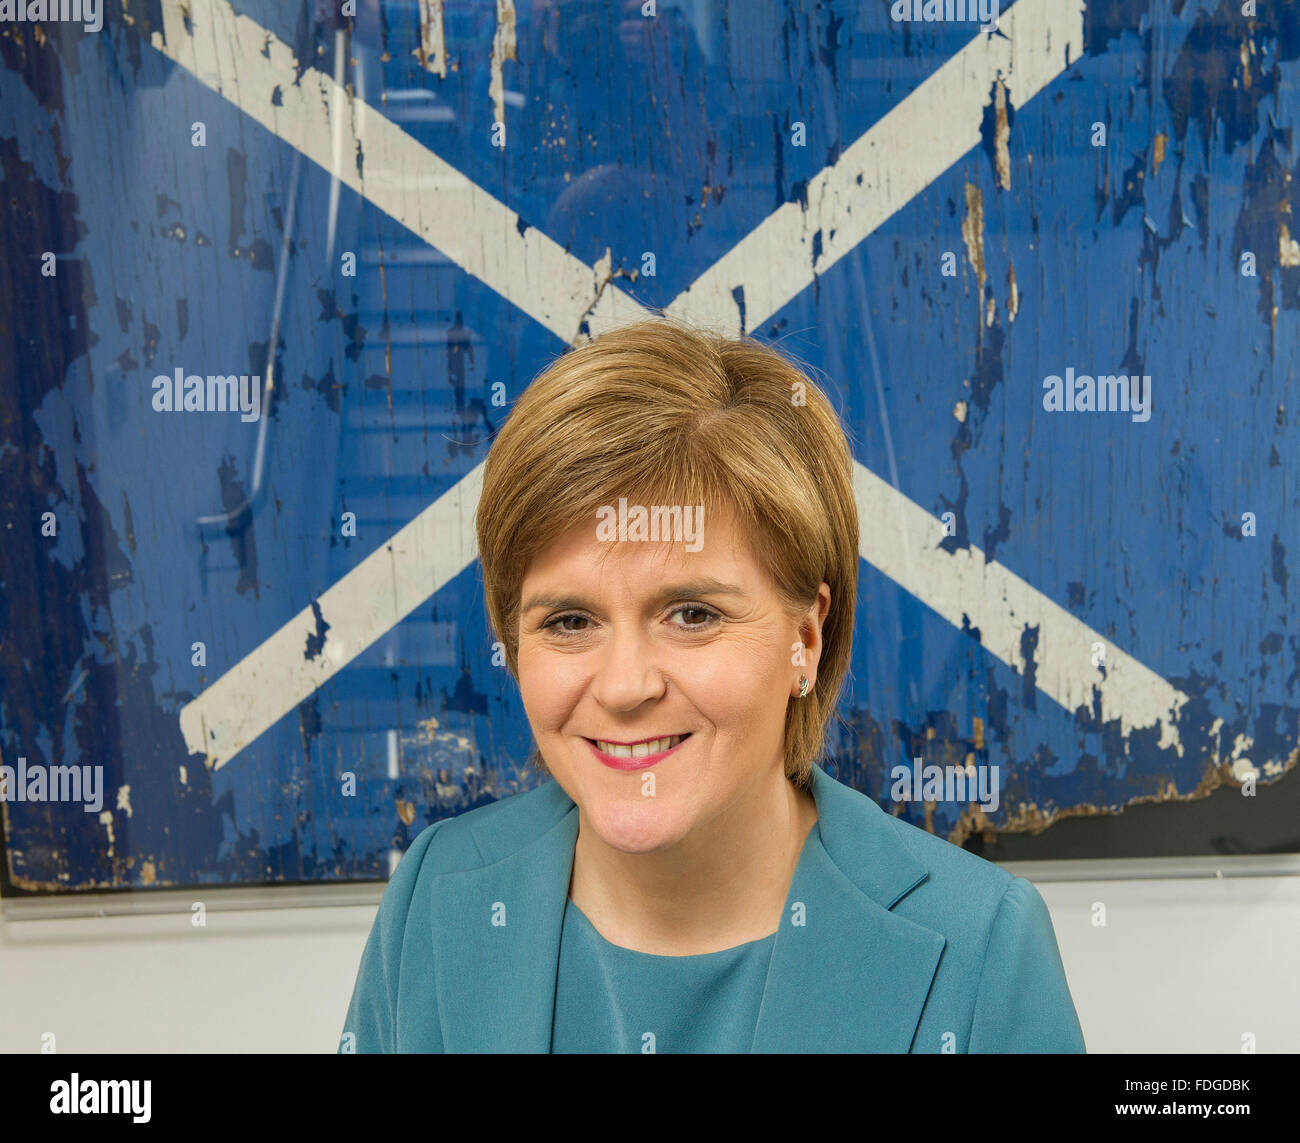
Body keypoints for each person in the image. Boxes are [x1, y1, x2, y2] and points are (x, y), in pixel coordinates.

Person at [341, 318, 1086, 1053]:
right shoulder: (432, 896)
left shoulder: (982, 947)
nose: (625, 686)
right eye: (569, 621)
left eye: (692, 614)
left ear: (805, 638)